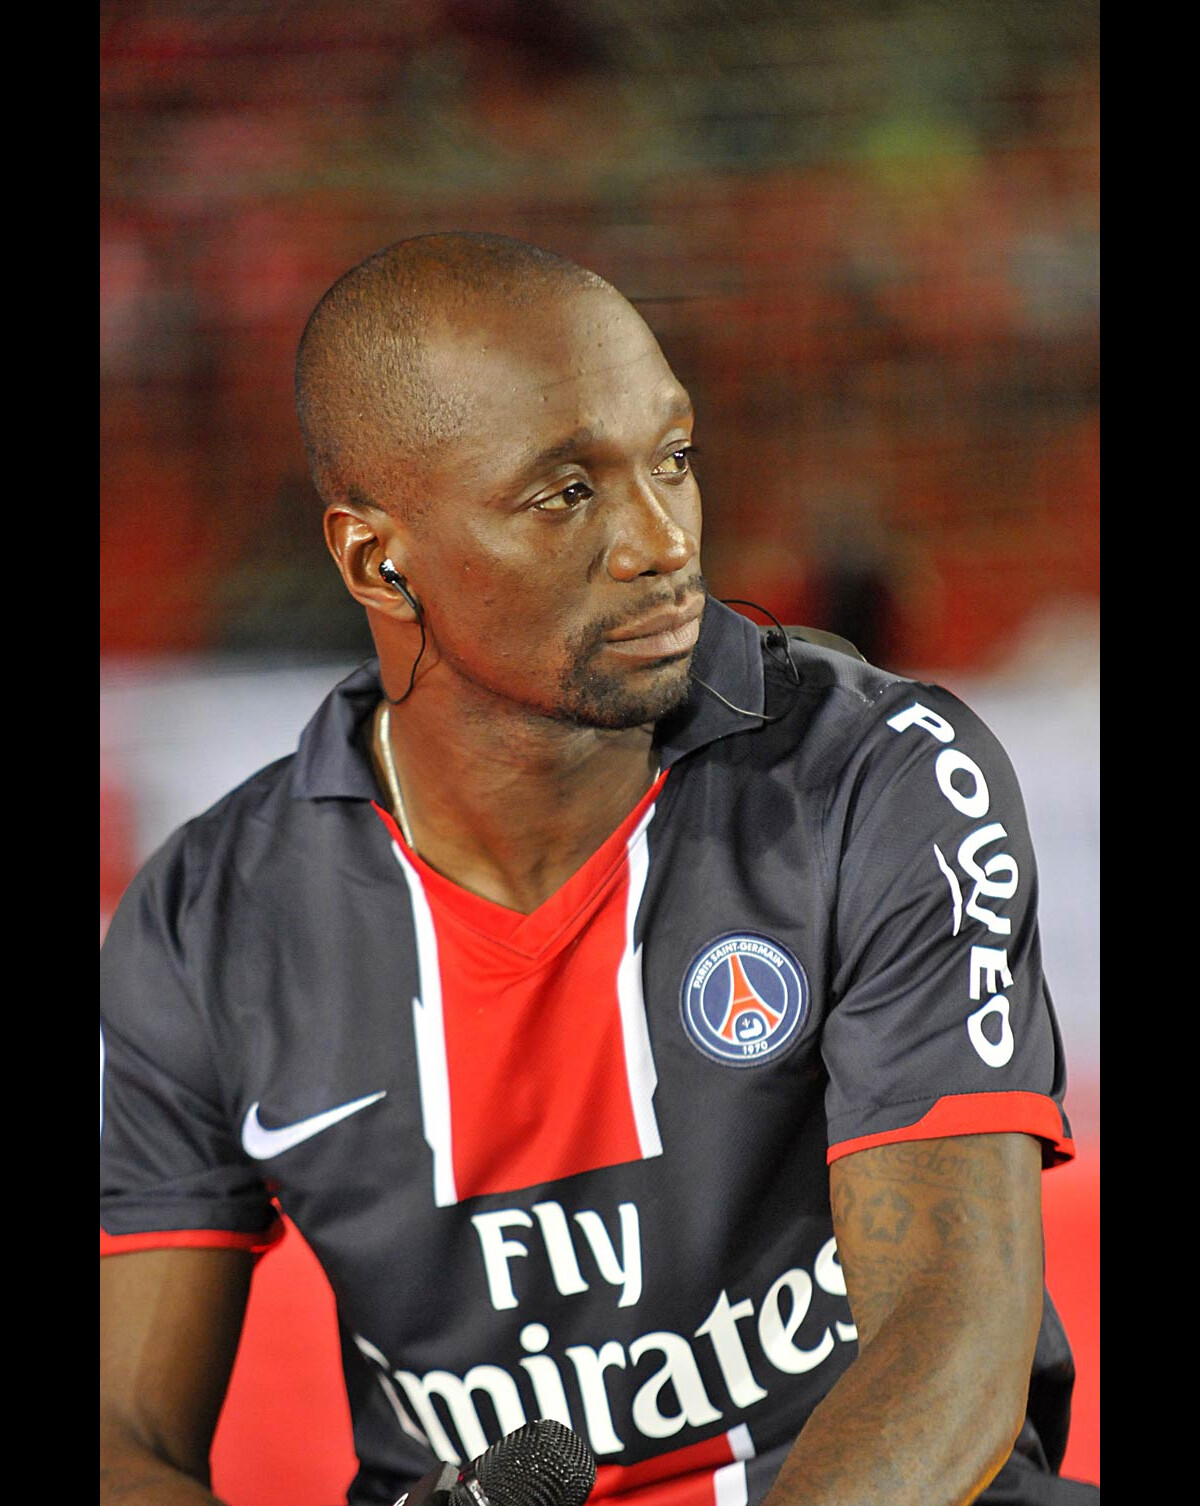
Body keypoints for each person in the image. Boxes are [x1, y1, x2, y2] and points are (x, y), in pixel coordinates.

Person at [100, 232, 1098, 1506]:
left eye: (672, 461)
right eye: (564, 493)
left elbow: (949, 1350)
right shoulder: (206, 921)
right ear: (374, 558)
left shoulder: (879, 778)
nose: (660, 541)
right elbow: (124, 1436)